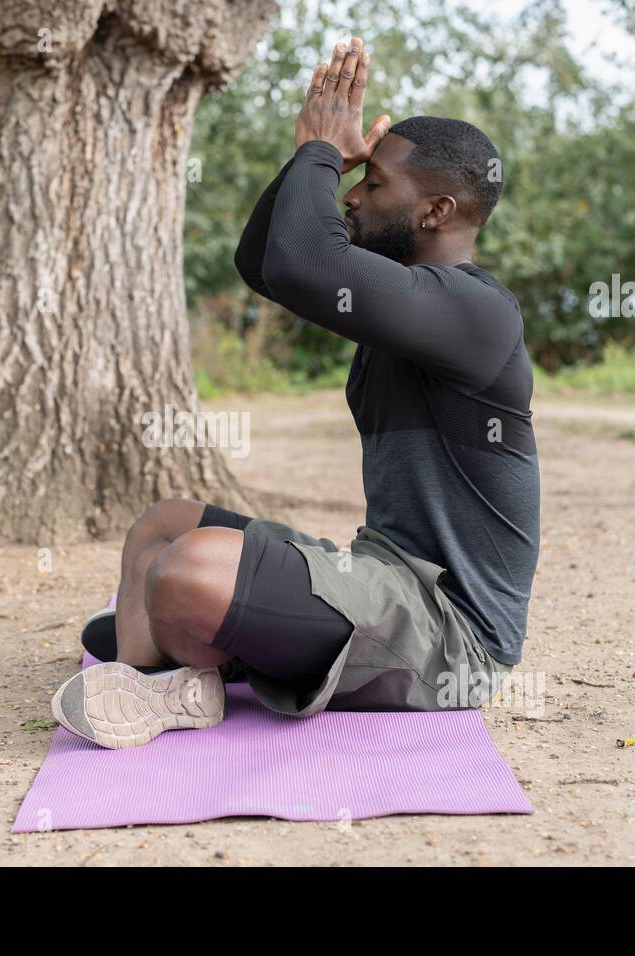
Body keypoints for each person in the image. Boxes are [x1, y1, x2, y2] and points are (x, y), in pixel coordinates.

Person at [51, 36, 540, 749]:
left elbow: (305, 261)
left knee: (186, 571)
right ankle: (160, 680)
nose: (352, 195)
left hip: (451, 633)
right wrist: (315, 157)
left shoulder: (477, 313)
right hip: (381, 575)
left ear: (436, 211)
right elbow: (266, 264)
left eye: (372, 185)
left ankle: (181, 642)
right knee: (164, 526)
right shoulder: (410, 305)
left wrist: (315, 151)